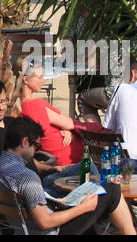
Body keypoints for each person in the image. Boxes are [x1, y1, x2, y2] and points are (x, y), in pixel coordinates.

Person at [0, 117, 135, 236]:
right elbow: (44, 222)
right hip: (49, 231)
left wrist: (57, 201)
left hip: (20, 227)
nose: (36, 152)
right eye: (36, 147)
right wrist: (82, 208)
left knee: (89, 193)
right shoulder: (27, 178)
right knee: (112, 189)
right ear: (25, 142)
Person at [10, 57, 84, 187]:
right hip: (66, 166)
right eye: (39, 77)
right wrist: (67, 128)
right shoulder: (36, 106)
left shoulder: (24, 109)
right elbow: (69, 123)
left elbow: (63, 123)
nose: (43, 80)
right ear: (26, 80)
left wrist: (65, 129)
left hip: (58, 166)